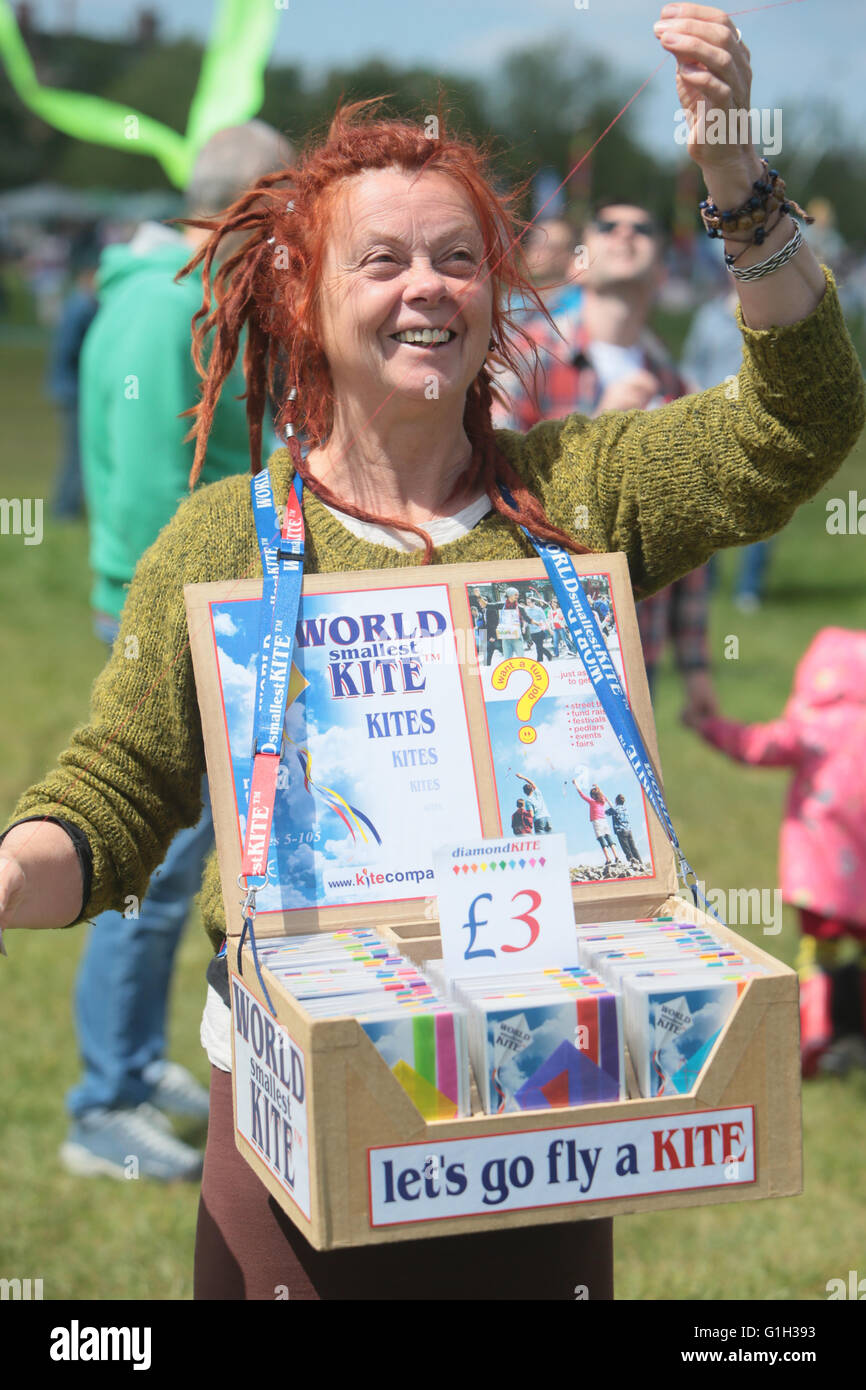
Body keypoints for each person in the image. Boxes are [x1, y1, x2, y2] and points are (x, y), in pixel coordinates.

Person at [1, 7, 864, 1299]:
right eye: (384, 260)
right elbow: (116, 796)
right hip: (292, 1139)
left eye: (459, 257)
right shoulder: (221, 541)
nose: (428, 287)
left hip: (547, 1122)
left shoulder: (582, 492)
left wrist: (736, 180)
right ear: (301, 294)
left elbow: (801, 421)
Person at [62, 121, 293, 1182]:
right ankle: (100, 1105)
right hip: (180, 615)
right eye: (287, 204)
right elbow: (176, 490)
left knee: (181, 862)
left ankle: (137, 1062)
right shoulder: (170, 307)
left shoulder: (164, 289)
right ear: (247, 205)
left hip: (186, 609)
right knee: (151, 874)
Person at [494, 196, 718, 724]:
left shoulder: (679, 390)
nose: (625, 232)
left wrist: (697, 665)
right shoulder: (526, 357)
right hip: (541, 638)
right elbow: (491, 487)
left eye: (643, 225)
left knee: (623, 805)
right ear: (579, 261)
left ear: (662, 273)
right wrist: (598, 434)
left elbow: (690, 535)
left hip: (637, 642)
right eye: (606, 224)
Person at [685, 628, 866, 1077]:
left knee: (819, 951)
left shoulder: (811, 727)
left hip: (823, 879)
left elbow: (757, 747)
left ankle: (818, 1035)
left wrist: (708, 725)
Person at [681, 285, 772, 611]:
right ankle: (706, 582)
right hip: (710, 424)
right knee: (708, 506)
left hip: (756, 426)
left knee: (761, 508)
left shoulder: (769, 314)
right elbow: (691, 364)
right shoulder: (708, 317)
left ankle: (749, 588)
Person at [45, 227, 99, 520]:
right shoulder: (81, 307)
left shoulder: (78, 304)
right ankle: (65, 508)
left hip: (68, 387)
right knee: (77, 452)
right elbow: (69, 351)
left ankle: (68, 505)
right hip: (73, 390)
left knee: (77, 451)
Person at [572, 782, 622, 869]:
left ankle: (608, 859)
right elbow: (603, 795)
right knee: (609, 839)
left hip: (597, 822)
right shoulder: (602, 801)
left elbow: (581, 794)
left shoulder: (592, 802)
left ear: (592, 796)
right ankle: (617, 857)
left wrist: (575, 784)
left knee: (602, 840)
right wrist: (598, 787)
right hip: (604, 821)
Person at [604, 794, 644, 869]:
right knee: (633, 848)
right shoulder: (625, 809)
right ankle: (641, 864)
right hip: (629, 830)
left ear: (616, 801)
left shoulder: (615, 809)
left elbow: (606, 812)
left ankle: (633, 864)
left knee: (626, 849)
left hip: (621, 831)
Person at [495, 586, 528, 659]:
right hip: (506, 636)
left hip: (516, 636)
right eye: (515, 595)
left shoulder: (520, 607)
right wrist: (479, 597)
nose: (517, 596)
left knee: (521, 657)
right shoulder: (502, 606)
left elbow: (526, 619)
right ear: (510, 595)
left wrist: (524, 627)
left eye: (517, 595)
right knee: (507, 659)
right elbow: (488, 605)